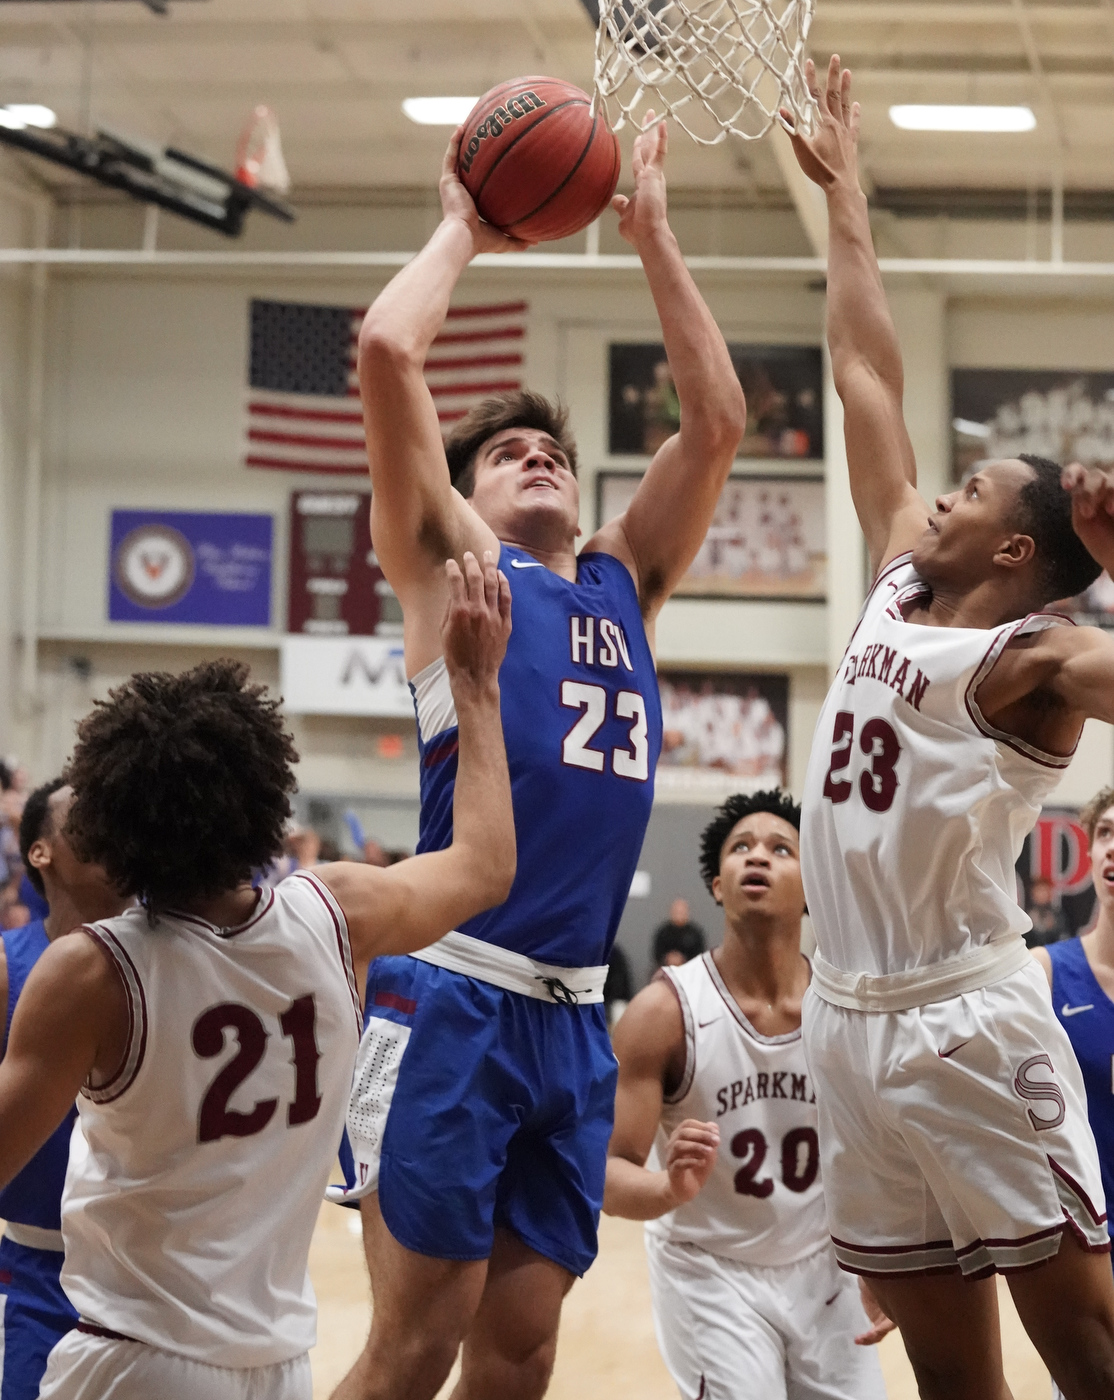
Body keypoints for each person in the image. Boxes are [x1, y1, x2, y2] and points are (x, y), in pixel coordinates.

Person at [332, 109, 747, 1400]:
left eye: (555, 450)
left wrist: (654, 236)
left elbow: (718, 416)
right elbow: (389, 349)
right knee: (411, 1349)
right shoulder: (447, 565)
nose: (538, 458)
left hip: (569, 1013)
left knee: (518, 1358)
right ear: (463, 489)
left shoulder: (624, 581)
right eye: (508, 452)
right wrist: (463, 222)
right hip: (451, 989)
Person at [788, 55, 1114, 1399]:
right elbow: (863, 364)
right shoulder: (894, 576)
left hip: (962, 1015)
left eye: (967, 485)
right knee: (941, 1366)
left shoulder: (1032, 654)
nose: (936, 492)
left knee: (1085, 1349)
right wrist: (843, 191)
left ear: (1019, 547)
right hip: (842, 1018)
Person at [0, 552, 515, 1400]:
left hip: (135, 1358)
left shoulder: (91, 970)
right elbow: (487, 866)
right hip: (274, 1366)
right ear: (263, 796)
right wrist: (477, 690)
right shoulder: (337, 910)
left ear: (110, 819)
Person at [605, 790, 890, 1399]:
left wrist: (886, 1255)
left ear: (813, 884)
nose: (757, 857)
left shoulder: (846, 1006)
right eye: (741, 848)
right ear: (716, 884)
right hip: (709, 1267)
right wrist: (667, 1187)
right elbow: (605, 1175)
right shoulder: (665, 1012)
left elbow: (886, 1154)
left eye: (780, 848)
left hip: (824, 1266)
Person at [0, 778, 129, 1400]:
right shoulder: (6, 965)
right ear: (40, 851)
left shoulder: (170, 960)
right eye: (85, 814)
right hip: (34, 1271)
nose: (107, 825)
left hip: (147, 1278)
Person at [1036, 787, 1114, 1247]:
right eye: (1105, 833)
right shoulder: (1043, 972)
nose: (1113, 847)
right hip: (1080, 1244)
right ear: (1089, 853)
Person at [652, 896, 707, 968]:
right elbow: (657, 954)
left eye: (682, 912)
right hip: (666, 970)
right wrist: (668, 959)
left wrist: (683, 960)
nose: (679, 915)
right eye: (676, 912)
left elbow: (700, 955)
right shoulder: (663, 932)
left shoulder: (695, 934)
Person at [1026, 875, 1071, 947]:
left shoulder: (1057, 914)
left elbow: (1064, 936)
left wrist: (1053, 930)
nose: (1042, 894)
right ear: (1033, 893)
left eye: (1044, 890)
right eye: (1039, 890)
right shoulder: (1026, 915)